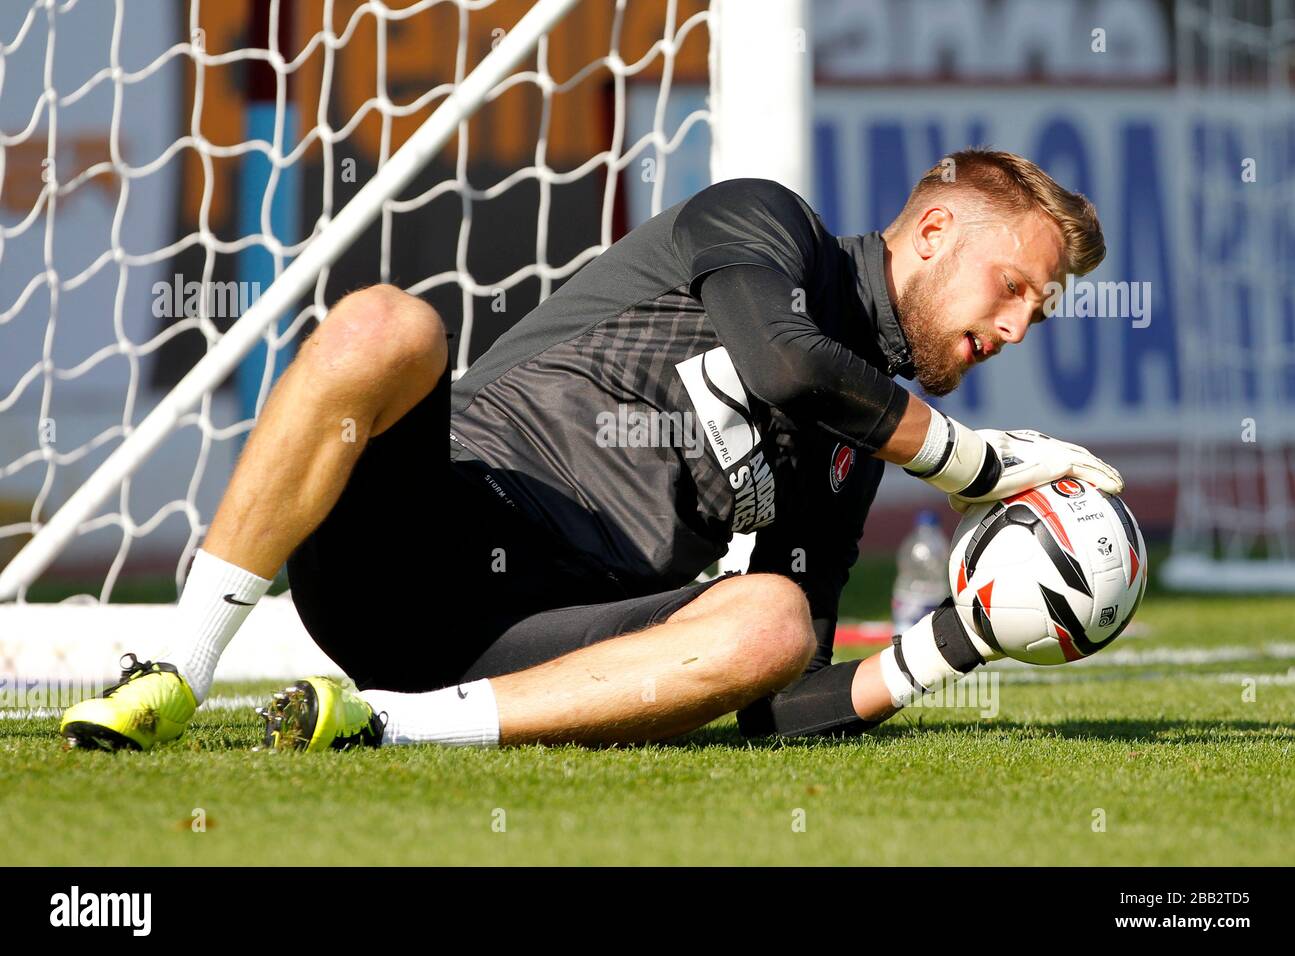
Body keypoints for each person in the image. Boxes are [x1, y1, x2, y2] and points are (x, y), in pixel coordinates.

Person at [59, 148, 1121, 752]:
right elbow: (788, 360)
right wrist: (977, 465)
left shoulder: (853, 448)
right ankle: (175, 671)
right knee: (388, 322)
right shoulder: (766, 225)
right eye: (1013, 286)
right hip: (414, 534)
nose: (1018, 325)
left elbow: (770, 694)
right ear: (931, 233)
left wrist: (957, 640)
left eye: (1041, 307)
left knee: (773, 619)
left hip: (527, 653)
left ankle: (377, 726)